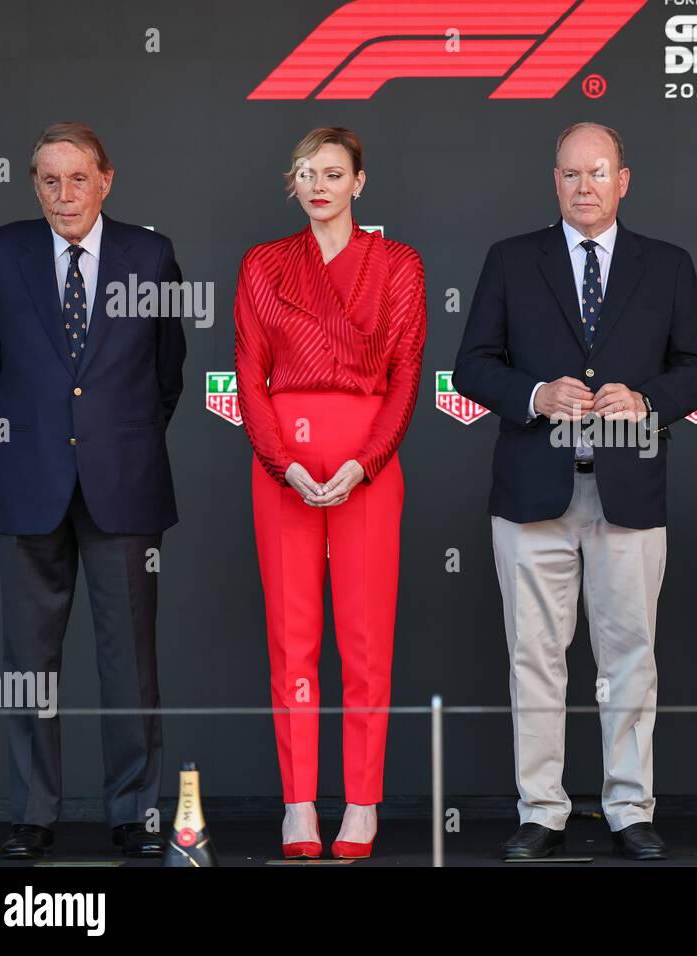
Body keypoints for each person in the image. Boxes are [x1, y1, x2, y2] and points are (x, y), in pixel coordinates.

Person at [453, 122, 697, 861]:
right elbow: (471, 365)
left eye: (598, 173)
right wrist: (535, 392)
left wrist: (647, 400)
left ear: (623, 181)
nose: (584, 186)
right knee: (534, 657)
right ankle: (542, 809)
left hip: (630, 491)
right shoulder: (511, 260)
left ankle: (630, 808)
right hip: (533, 495)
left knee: (630, 654)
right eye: (570, 174)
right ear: (555, 182)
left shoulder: (666, 266)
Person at [0, 122, 186, 859]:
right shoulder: (3, 251)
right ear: (34, 185)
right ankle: (34, 812)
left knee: (130, 660)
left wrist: (111, 439)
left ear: (107, 180)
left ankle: (133, 812)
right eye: (50, 180)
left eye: (79, 178)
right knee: (29, 664)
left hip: (122, 485)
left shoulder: (149, 256)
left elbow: (167, 374)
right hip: (29, 482)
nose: (65, 194)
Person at [234, 126, 426, 860]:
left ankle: (362, 801)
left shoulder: (399, 264)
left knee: (366, 640)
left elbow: (407, 374)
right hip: (282, 464)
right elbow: (249, 374)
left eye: (333, 173)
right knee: (292, 641)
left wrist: (367, 461)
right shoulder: (263, 264)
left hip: (367, 465)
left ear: (359, 182)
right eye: (306, 173)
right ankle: (298, 803)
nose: (318, 185)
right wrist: (283, 462)